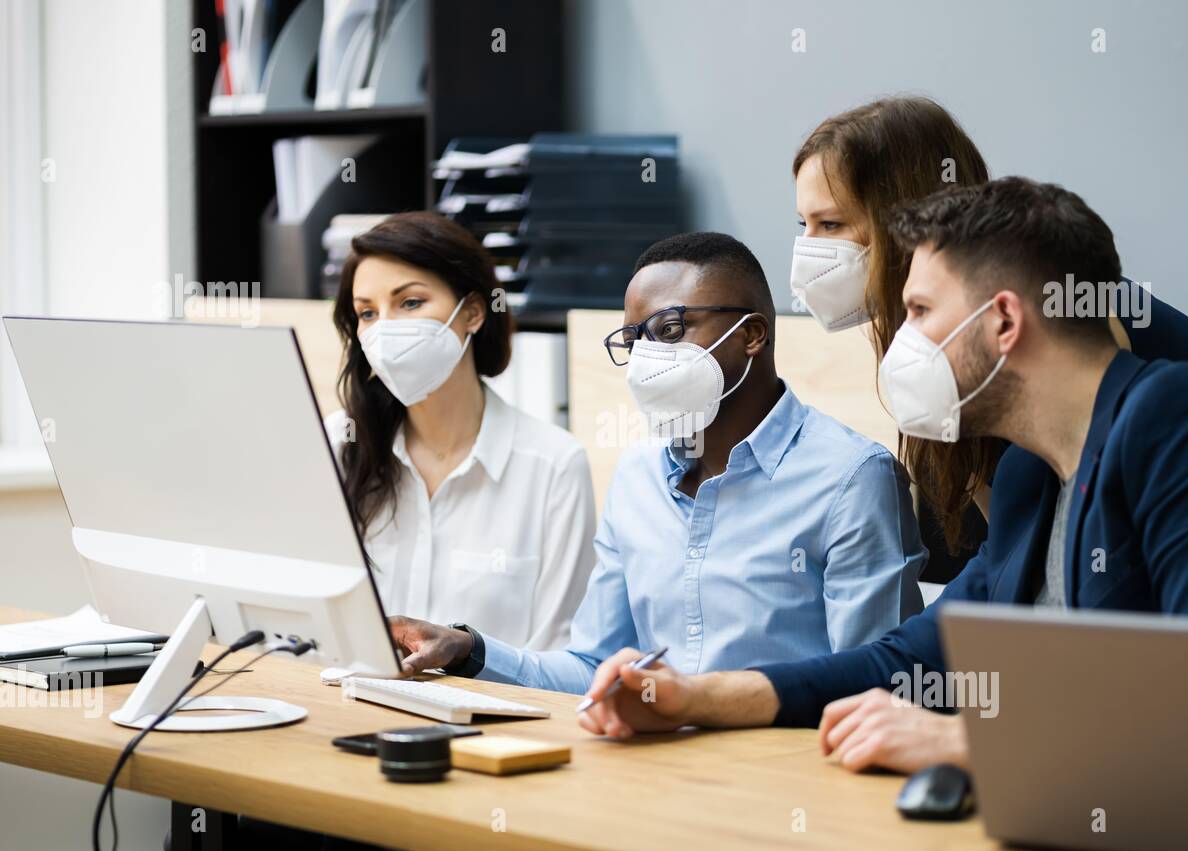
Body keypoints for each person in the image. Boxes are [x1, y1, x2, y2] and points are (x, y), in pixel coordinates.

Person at [577, 178, 1188, 771]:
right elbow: (914, 656)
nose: (904, 342)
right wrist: (695, 697)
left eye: (921, 311)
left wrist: (963, 742)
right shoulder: (1029, 477)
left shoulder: (1186, 423)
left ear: (1005, 321)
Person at [388, 232, 927, 693]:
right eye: (634, 339)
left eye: (669, 331)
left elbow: (871, 690)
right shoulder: (638, 474)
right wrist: (468, 649)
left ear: (752, 335)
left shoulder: (852, 478)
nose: (646, 356)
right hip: (651, 774)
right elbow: (593, 667)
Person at [790, 96, 1188, 563]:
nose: (810, 249)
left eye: (831, 225)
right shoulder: (931, 348)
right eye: (803, 226)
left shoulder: (1064, 321)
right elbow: (1013, 571)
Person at [324, 211, 596, 652]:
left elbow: (560, 661)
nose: (385, 329)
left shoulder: (554, 466)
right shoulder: (336, 444)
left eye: (410, 303)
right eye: (367, 313)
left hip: (493, 719)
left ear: (472, 312)